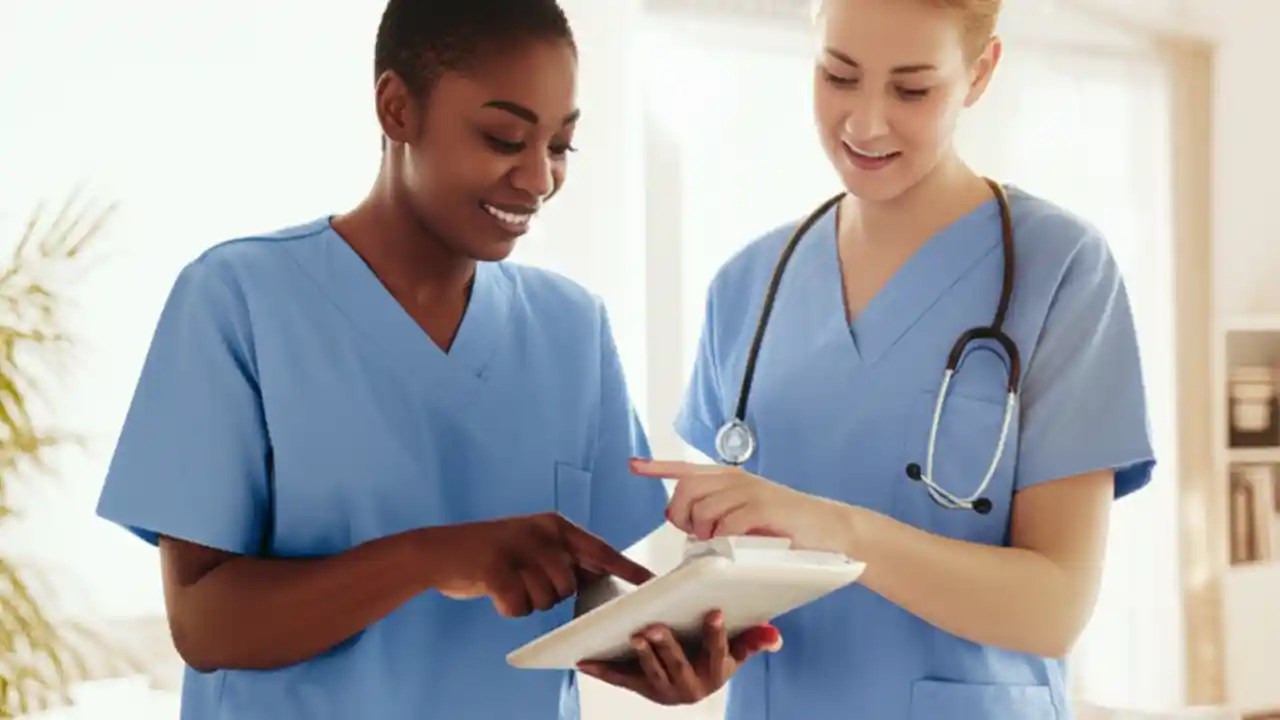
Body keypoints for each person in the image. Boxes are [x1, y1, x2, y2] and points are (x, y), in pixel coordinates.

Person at [94, 1, 775, 718]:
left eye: (560, 146)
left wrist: (660, 652)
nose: (539, 179)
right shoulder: (239, 301)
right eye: (504, 138)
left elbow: (571, 591)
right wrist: (429, 557)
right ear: (397, 108)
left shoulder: (572, 328)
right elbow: (205, 625)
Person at [613, 0, 1156, 718]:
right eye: (839, 76)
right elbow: (742, 579)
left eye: (912, 89)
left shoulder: (1059, 270)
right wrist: (695, 648)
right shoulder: (750, 285)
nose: (866, 123)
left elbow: (1054, 610)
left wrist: (836, 529)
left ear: (980, 72)